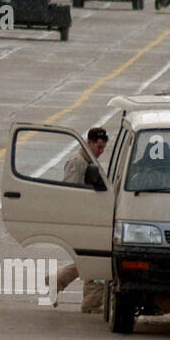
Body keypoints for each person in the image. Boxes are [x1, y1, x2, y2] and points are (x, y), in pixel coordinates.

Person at [55, 128, 109, 312]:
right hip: (82, 221)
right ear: (89, 143)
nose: (101, 151)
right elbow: (70, 193)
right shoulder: (77, 163)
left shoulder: (88, 161)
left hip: (91, 219)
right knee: (96, 261)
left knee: (89, 261)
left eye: (103, 148)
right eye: (99, 147)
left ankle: (57, 282)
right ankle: (91, 302)